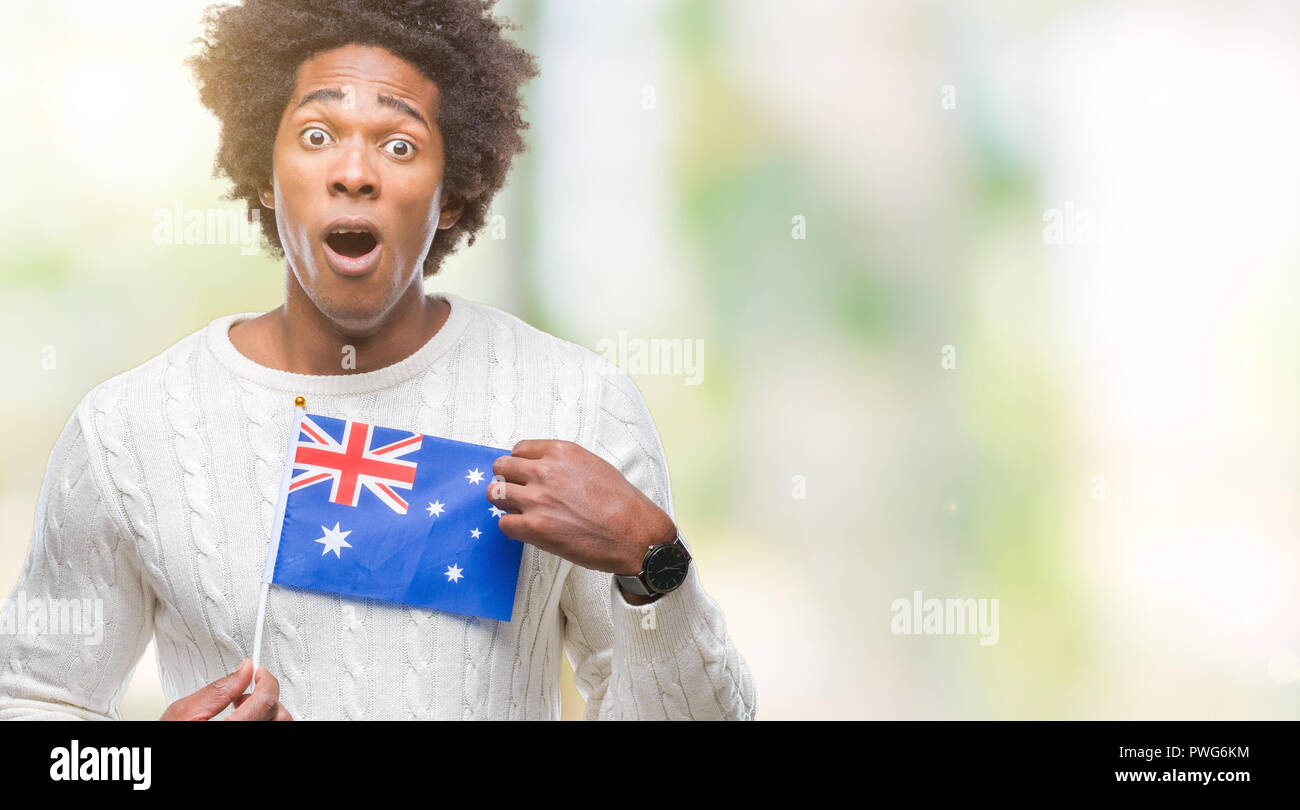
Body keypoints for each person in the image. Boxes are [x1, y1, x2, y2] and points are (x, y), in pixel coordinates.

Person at [0, 0, 755, 720]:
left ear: (452, 194)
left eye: (400, 145)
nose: (355, 172)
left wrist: (653, 564)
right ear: (265, 173)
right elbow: (32, 703)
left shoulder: (577, 406)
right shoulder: (128, 431)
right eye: (318, 134)